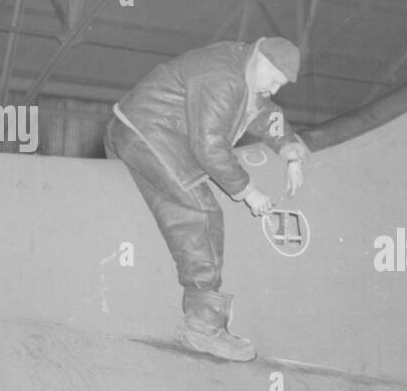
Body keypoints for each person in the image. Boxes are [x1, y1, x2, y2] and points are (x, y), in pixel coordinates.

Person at [105, 36, 309, 362]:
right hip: (148, 131)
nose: (274, 89)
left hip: (143, 129)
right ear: (262, 60)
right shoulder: (223, 78)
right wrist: (249, 192)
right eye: (274, 80)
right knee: (201, 210)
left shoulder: (240, 69)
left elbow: (263, 112)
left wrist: (290, 151)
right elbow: (209, 146)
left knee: (189, 203)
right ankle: (201, 327)